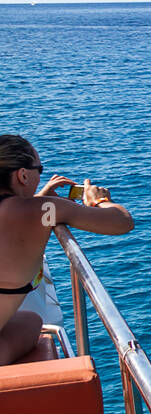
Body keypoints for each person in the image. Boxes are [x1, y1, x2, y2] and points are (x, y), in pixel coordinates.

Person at [0, 134, 135, 366]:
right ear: (22, 175)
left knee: (30, 321)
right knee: (32, 324)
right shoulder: (42, 211)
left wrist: (39, 198)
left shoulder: (36, 210)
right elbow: (121, 221)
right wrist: (97, 200)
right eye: (38, 169)